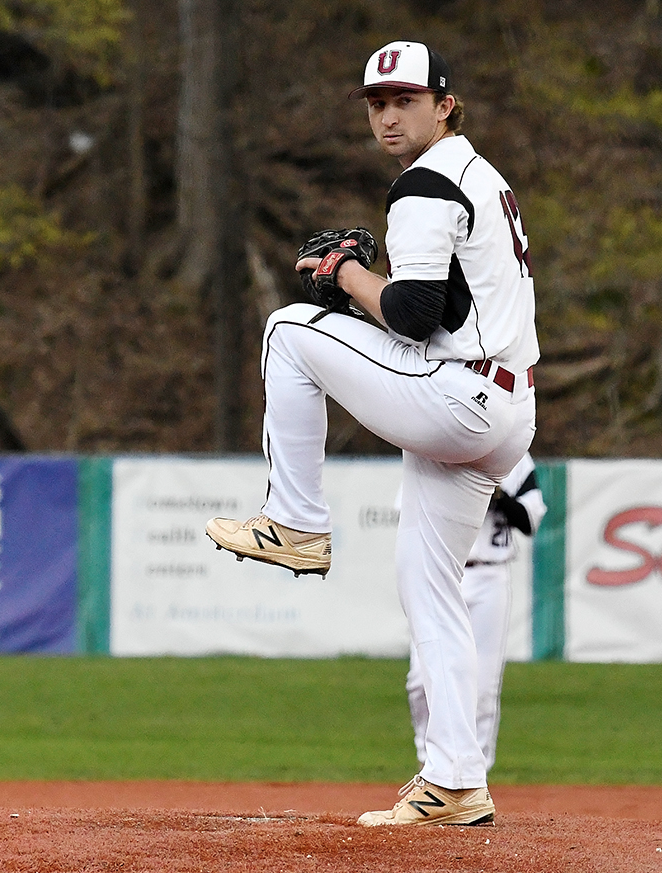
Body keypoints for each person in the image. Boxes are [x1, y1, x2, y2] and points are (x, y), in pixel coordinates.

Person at [205, 39, 538, 827]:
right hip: (506, 406)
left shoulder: (424, 183)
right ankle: (456, 779)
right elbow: (444, 307)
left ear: (445, 106)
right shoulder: (479, 174)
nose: (389, 116)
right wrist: (364, 285)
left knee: (289, 331)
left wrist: (348, 276)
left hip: (459, 396)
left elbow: (414, 317)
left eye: (406, 101)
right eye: (378, 103)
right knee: (430, 588)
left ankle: (296, 522)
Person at [405, 453, 544, 778]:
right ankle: (429, 766)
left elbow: (529, 520)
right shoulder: (432, 446)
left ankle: (475, 776)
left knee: (482, 687)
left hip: (489, 577)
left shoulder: (514, 454)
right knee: (420, 681)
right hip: (439, 574)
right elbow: (410, 514)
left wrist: (497, 494)